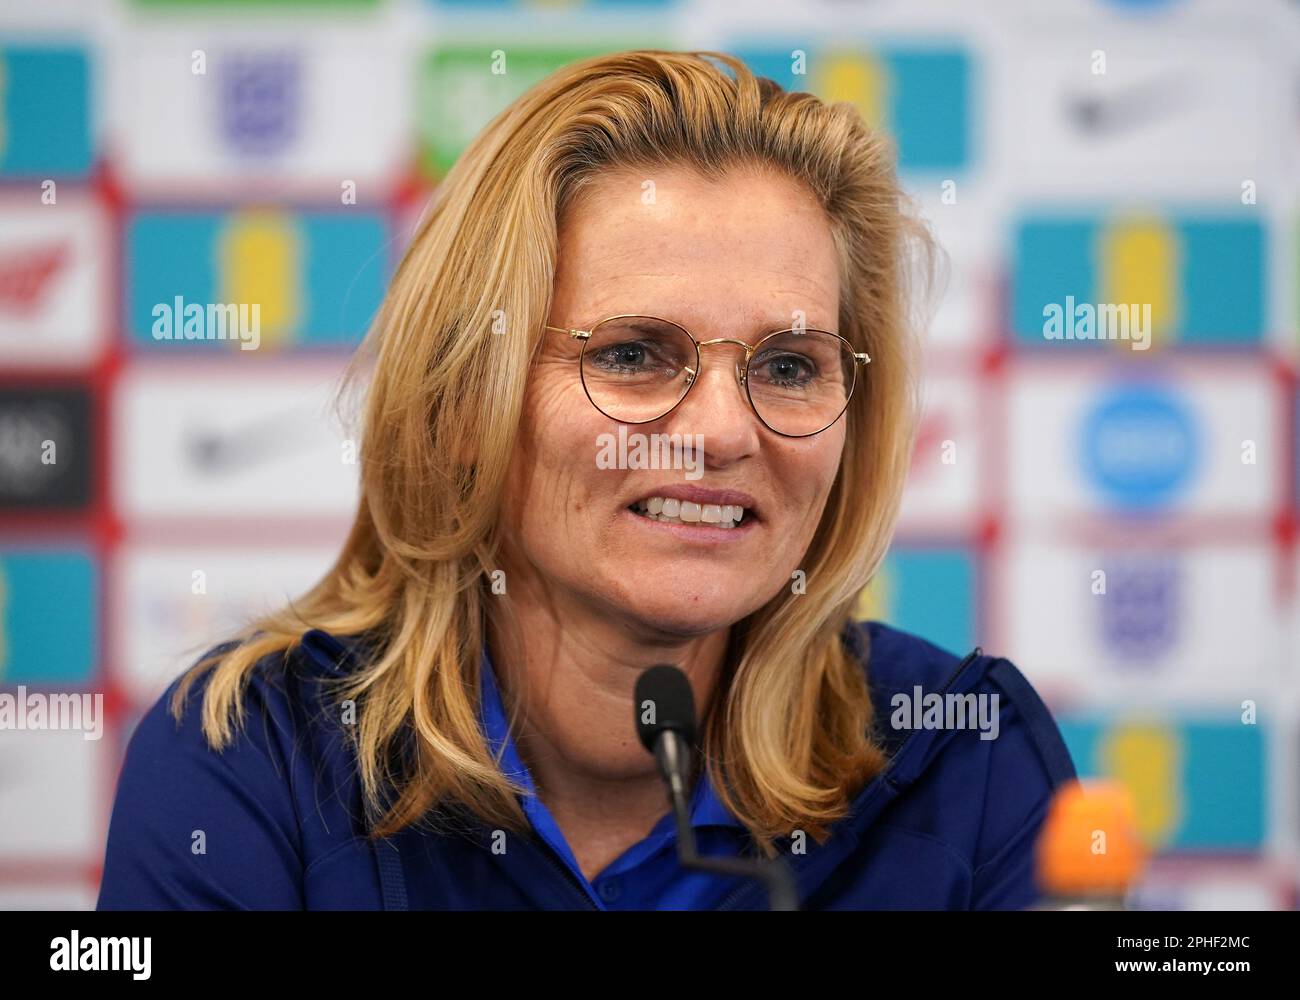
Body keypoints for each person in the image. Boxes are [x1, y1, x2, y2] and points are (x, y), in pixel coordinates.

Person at [97, 49, 1075, 910]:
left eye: (786, 366)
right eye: (635, 354)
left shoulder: (960, 757)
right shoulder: (251, 761)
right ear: (463, 404)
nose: (724, 430)